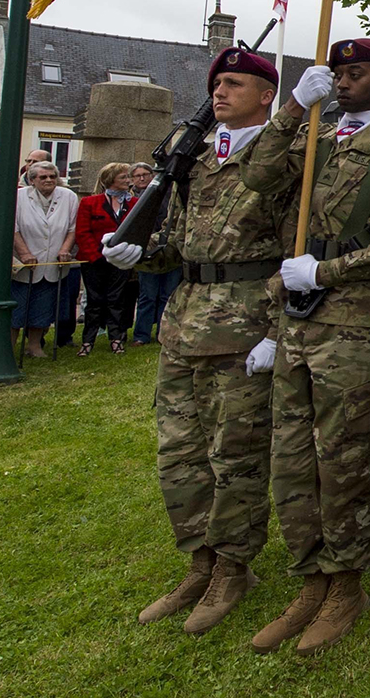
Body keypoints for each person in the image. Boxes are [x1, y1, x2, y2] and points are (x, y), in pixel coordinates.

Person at [102, 45, 292, 636]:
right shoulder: (198, 163)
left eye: (235, 84)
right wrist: (140, 252)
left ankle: (234, 568)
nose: (221, 92)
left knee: (235, 456)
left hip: (244, 326)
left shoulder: (284, 159)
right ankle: (199, 561)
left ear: (267, 95)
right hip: (185, 325)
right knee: (178, 455)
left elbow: (298, 248)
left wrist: (278, 330)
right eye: (218, 84)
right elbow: (181, 243)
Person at [237, 37, 370, 655]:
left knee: (343, 461)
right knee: (291, 458)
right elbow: (257, 178)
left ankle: (347, 585)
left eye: (357, 73)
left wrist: (327, 273)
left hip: (357, 324)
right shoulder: (316, 134)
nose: (343, 82)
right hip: (297, 323)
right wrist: (291, 109)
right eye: (337, 73)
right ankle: (310, 577)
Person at [11, 161, 78, 359]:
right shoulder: (19, 196)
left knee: (44, 305)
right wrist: (23, 253)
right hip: (25, 262)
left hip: (52, 261)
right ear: (32, 180)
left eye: (52, 176)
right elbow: (13, 228)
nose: (49, 180)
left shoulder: (68, 196)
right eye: (43, 177)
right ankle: (9, 346)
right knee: (17, 307)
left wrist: (65, 249)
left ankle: (34, 346)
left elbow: (72, 228)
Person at [76, 162, 139, 355]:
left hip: (120, 260)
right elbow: (82, 232)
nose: (128, 181)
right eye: (123, 177)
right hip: (94, 260)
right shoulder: (89, 203)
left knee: (117, 299)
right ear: (110, 180)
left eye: (128, 177)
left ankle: (116, 338)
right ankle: (88, 341)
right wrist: (96, 256)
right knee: (94, 301)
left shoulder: (133, 203)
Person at [127, 162, 180, 346]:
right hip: (147, 249)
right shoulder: (131, 198)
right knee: (147, 296)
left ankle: (163, 332)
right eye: (137, 175)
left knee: (168, 294)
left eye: (145, 174)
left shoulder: (167, 193)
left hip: (169, 248)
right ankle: (141, 334)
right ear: (132, 179)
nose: (142, 178)